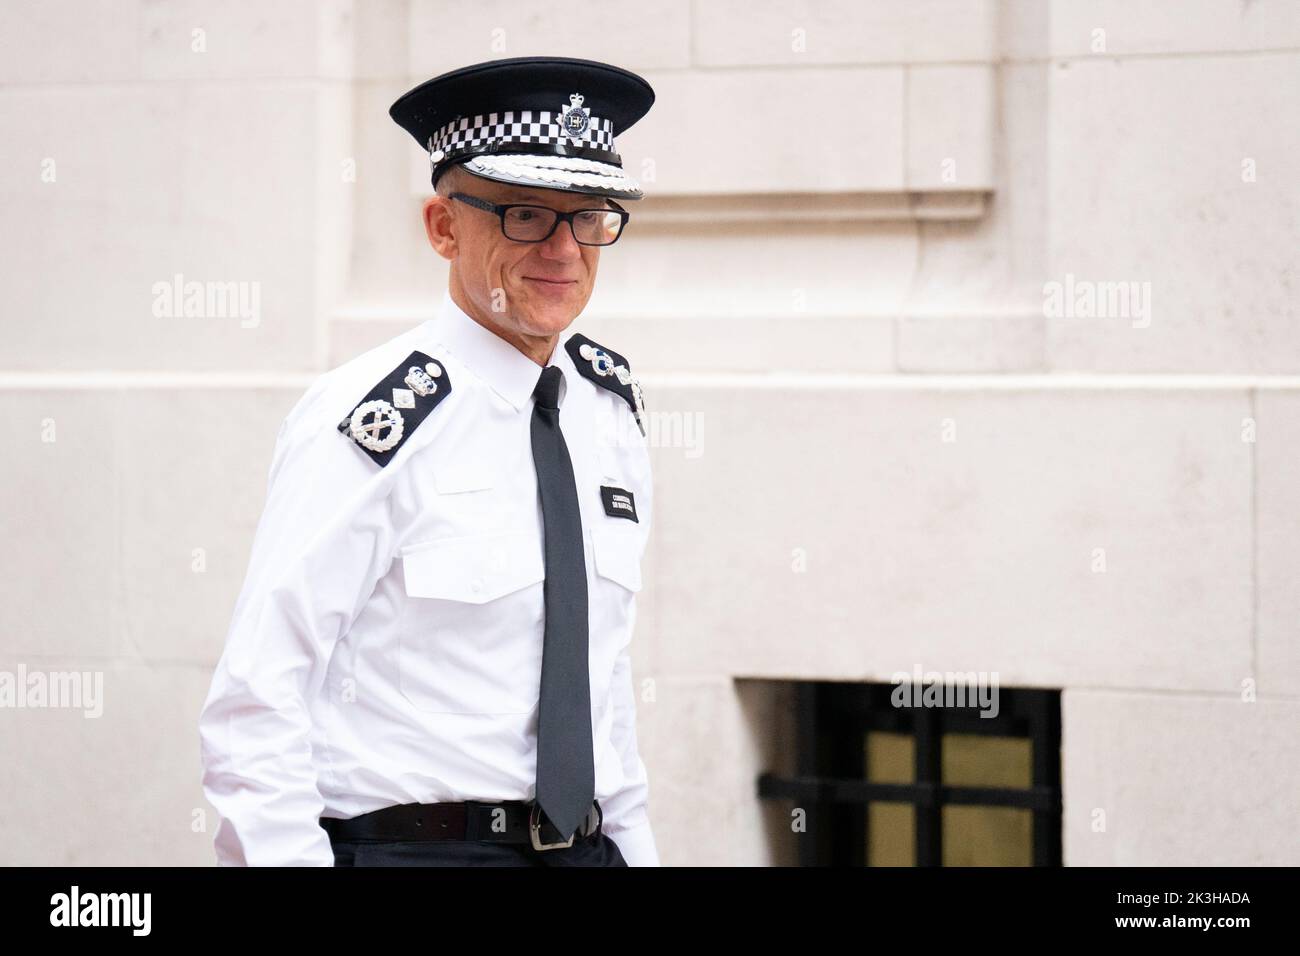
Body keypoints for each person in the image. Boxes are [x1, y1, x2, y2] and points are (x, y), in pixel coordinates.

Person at [197, 56, 660, 867]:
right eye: (525, 215)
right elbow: (259, 694)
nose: (563, 249)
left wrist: (633, 848)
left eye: (589, 216)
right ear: (444, 226)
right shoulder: (374, 420)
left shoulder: (607, 412)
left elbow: (601, 677)